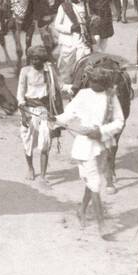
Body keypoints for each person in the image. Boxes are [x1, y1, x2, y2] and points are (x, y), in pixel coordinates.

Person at [53, 67, 124, 239]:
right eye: (92, 81)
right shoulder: (83, 94)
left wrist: (101, 131)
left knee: (92, 182)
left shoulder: (111, 97)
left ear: (105, 83)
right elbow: (68, 114)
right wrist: (54, 120)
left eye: (98, 82)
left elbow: (119, 122)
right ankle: (102, 226)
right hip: (84, 145)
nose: (94, 84)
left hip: (102, 145)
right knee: (95, 182)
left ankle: (82, 210)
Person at [16, 44, 64, 182]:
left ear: (43, 59)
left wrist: (75, 88)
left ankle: (43, 175)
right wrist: (24, 113)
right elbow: (20, 93)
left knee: (45, 143)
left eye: (37, 59)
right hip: (29, 110)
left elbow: (60, 85)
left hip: (45, 110)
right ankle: (30, 168)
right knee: (28, 141)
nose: (34, 61)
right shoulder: (25, 71)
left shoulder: (49, 70)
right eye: (32, 58)